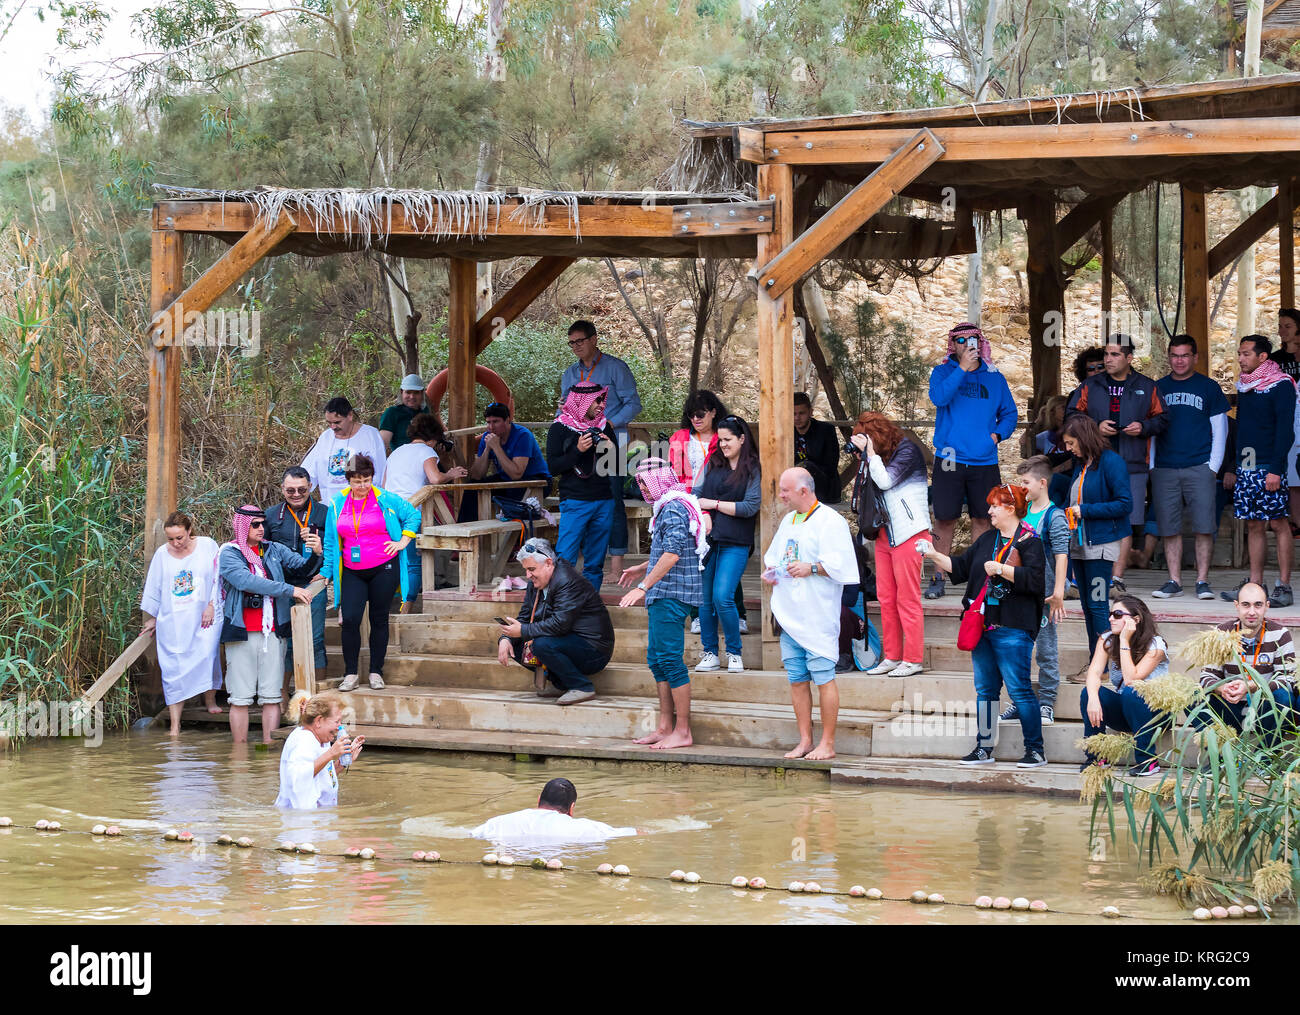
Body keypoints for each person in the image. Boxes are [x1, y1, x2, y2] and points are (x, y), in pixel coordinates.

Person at [921, 484, 1048, 768]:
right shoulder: (987, 539)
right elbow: (961, 567)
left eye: (994, 506)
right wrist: (932, 554)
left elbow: (1038, 582)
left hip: (1014, 626)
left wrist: (1003, 569)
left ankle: (1035, 750)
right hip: (983, 626)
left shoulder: (1030, 541)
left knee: (1020, 691)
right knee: (986, 691)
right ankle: (984, 748)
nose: (988, 511)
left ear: (1010, 508)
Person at [762, 467, 859, 761]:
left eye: (785, 491)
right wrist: (773, 571)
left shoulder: (832, 522)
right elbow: (776, 556)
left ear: (803, 491)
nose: (781, 496)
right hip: (790, 613)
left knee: (823, 677)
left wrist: (812, 567)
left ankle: (827, 743)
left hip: (817, 614)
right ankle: (805, 740)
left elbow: (844, 567)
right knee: (796, 678)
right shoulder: (789, 520)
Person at [1065, 332, 1168, 597]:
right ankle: (1079, 581)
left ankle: (1115, 580)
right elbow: (1072, 414)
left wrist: (1143, 427)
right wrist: (1094, 427)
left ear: (1129, 358)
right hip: (1092, 462)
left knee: (1124, 521)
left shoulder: (1147, 385)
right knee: (1082, 514)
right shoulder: (1091, 385)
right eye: (1106, 354)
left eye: (1114, 355)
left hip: (1132, 462)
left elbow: (1164, 419)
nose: (1107, 360)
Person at [618, 457, 707, 751]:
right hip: (664, 593)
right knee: (657, 660)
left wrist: (643, 587)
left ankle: (682, 731)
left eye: (643, 482)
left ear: (657, 481)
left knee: (669, 660)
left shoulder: (672, 508)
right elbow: (670, 549)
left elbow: (673, 555)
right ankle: (665, 726)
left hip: (671, 594)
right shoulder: (670, 506)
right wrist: (641, 567)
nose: (641, 488)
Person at [925, 322, 1019, 599]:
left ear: (980, 343)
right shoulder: (942, 372)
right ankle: (938, 576)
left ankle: (978, 577)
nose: (967, 344)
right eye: (960, 340)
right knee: (944, 519)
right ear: (952, 345)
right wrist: (962, 369)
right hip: (949, 459)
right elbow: (938, 398)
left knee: (984, 518)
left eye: (972, 339)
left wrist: (995, 436)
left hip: (984, 461)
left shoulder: (995, 377)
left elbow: (1010, 414)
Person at [218, 505, 321, 744]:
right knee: (240, 697)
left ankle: (267, 749)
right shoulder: (230, 552)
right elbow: (246, 581)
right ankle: (240, 753)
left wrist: (315, 554)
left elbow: (302, 569)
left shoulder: (273, 549)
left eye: (263, 524)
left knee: (272, 696)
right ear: (242, 526)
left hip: (274, 631)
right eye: (255, 525)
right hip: (242, 632)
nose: (261, 529)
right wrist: (289, 590)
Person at [321, 454, 421, 692]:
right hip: (352, 571)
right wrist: (326, 570)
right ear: (348, 480)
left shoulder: (384, 498)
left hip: (383, 567)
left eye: (367, 480)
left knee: (378, 619)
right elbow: (329, 541)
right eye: (357, 481)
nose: (363, 485)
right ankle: (350, 673)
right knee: (351, 620)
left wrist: (403, 542)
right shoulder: (336, 503)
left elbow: (413, 515)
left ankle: (376, 671)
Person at [1149, 335, 1229, 601]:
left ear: (1195, 357)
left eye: (1184, 355)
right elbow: (1150, 430)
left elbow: (1220, 429)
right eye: (1174, 355)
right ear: (1168, 357)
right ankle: (1174, 580)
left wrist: (1213, 466)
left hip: (1200, 465)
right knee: (1169, 527)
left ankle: (1202, 580)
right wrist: (1151, 465)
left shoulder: (1209, 387)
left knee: (1204, 526)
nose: (1179, 360)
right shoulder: (1157, 388)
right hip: (1164, 466)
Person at [560, 320, 642, 580]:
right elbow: (565, 408)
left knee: (613, 500)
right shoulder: (570, 374)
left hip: (611, 444)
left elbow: (634, 404)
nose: (576, 346)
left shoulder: (616, 368)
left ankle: (617, 564)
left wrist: (608, 424)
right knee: (581, 499)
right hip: (580, 444)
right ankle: (581, 565)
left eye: (580, 341)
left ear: (594, 339)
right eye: (571, 342)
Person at [850, 412, 929, 678]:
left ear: (877, 436)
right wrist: (865, 459)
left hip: (909, 532)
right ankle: (893, 656)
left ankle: (914, 658)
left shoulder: (907, 452)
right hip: (884, 534)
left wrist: (870, 455)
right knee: (886, 598)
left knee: (907, 599)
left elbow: (885, 481)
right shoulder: (877, 458)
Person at [1223, 335, 1296, 607]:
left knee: (1278, 523)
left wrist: (1276, 469)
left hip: (1268, 465)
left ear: (1262, 357)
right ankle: (1256, 585)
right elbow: (1242, 430)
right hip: (1247, 465)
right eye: (1239, 354)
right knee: (1253, 523)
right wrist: (1235, 466)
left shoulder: (1281, 385)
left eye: (1245, 354)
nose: (1240, 359)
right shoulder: (1245, 385)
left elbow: (1285, 430)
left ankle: (1284, 586)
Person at [496, 538, 615, 706]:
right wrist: (506, 638)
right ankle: (562, 683)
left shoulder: (568, 581)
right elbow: (524, 617)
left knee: (542, 644)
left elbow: (560, 623)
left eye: (532, 569)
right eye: (526, 570)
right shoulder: (535, 583)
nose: (528, 576)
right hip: (566, 641)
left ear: (548, 563)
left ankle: (581, 687)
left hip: (594, 650)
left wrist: (523, 631)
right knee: (513, 645)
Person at [1060, 414, 1133, 674]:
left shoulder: (1111, 462)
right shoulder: (1082, 464)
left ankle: (1105, 668)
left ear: (1083, 437)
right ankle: (1096, 662)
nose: (1068, 448)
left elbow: (1125, 504)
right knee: (1087, 606)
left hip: (1101, 544)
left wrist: (1085, 510)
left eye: (1071, 443)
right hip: (1079, 543)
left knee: (1098, 605)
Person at [141, 511, 223, 736]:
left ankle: (210, 699)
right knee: (173, 667)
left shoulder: (207, 546)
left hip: (205, 614)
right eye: (171, 539)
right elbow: (155, 586)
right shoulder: (161, 554)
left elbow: (218, 578)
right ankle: (175, 725)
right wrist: (154, 616)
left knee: (208, 655)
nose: (176, 543)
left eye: (180, 537)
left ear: (189, 531)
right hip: (174, 619)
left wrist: (212, 605)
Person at [693, 415, 760, 674]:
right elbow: (697, 494)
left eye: (728, 439)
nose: (722, 444)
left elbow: (750, 506)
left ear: (742, 439)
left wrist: (714, 505)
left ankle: (734, 652)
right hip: (709, 541)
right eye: (720, 440)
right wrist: (706, 513)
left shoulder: (753, 468)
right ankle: (709, 652)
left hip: (736, 541)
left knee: (723, 597)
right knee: (704, 599)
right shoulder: (714, 463)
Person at [1194, 582, 1295, 748]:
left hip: (1265, 709)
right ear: (1237, 606)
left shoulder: (1280, 634)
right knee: (1192, 697)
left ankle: (1267, 756)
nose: (1252, 612)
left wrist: (1251, 686)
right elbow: (1206, 676)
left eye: (1258, 605)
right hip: (1231, 704)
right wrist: (1222, 689)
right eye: (1246, 605)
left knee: (1284, 697)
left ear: (1267, 606)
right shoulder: (1221, 633)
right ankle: (1219, 755)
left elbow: (1289, 679)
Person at [1007, 457, 1069, 726]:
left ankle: (1046, 703)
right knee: (1017, 650)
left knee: (1046, 650)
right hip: (1019, 592)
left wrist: (1058, 593)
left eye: (1026, 482)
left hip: (1044, 596)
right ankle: (1020, 701)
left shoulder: (1054, 516)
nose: (1022, 488)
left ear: (1042, 483)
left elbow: (1062, 555)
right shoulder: (1022, 512)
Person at [1078, 596, 1170, 777]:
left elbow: (1131, 679)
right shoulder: (1107, 640)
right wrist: (1094, 699)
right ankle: (1097, 756)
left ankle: (1147, 760)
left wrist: (1125, 641)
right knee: (1088, 693)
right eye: (1111, 614)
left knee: (1132, 690)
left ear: (1135, 620)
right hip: (1127, 710)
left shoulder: (1156, 645)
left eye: (1118, 614)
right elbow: (1094, 673)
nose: (1111, 618)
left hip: (1156, 714)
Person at [383, 413, 469, 603]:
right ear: (433, 439)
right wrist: (452, 473)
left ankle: (404, 587)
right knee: (445, 534)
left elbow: (383, 483)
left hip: (389, 510)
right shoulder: (426, 451)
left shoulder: (396, 451)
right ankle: (435, 580)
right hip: (412, 509)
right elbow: (435, 479)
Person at [548, 383, 617, 590]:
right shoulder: (559, 428)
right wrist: (578, 449)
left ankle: (590, 605)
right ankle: (561, 604)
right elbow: (553, 468)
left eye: (602, 399)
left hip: (604, 500)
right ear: (582, 401)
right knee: (565, 560)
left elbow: (616, 467)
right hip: (575, 501)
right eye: (597, 400)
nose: (601, 404)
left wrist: (612, 449)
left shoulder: (604, 426)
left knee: (595, 563)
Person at [266, 467, 330, 687]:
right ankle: (282, 693)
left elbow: (336, 547)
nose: (296, 494)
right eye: (290, 490)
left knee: (315, 640)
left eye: (301, 489)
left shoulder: (324, 512)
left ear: (310, 487)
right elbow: (262, 551)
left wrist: (325, 568)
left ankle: (319, 695)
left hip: (313, 583)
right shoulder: (271, 515)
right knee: (285, 641)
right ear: (282, 489)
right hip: (282, 585)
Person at [470, 778, 637, 843]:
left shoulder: (497, 822)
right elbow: (634, 832)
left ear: (538, 801)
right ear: (571, 809)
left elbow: (471, 834)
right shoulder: (588, 828)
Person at [275, 690, 364, 809]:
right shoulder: (302, 741)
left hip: (319, 818)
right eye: (337, 721)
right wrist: (331, 754)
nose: (339, 727)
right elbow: (299, 778)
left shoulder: (323, 740)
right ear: (318, 721)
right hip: (301, 820)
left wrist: (342, 763)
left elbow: (322, 778)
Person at [301, 396, 388, 506]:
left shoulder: (370, 435)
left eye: (337, 422)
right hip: (331, 504)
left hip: (362, 505)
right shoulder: (325, 437)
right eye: (329, 423)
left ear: (350, 416)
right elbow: (310, 470)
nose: (333, 427)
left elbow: (381, 471)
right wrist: (300, 491)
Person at [465, 401, 549, 499]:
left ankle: (506, 514)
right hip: (507, 480)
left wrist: (496, 447)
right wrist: (487, 449)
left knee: (513, 492)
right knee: (472, 488)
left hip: (537, 480)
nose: (491, 427)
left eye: (496, 422)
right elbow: (476, 476)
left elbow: (516, 474)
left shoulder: (522, 435)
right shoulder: (487, 437)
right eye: (488, 422)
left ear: (507, 420)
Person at [1273, 309, 1300, 529]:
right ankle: (1295, 521)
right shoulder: (1274, 360)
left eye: (1288, 326)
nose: (1282, 331)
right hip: (1286, 422)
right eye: (1280, 326)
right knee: (1291, 475)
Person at [792, 392, 843, 504]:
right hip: (795, 490)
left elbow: (831, 465)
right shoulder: (788, 432)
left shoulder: (826, 431)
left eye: (801, 413)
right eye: (793, 413)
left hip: (824, 490)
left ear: (811, 412)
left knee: (807, 465)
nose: (797, 418)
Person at [670, 390, 726, 487]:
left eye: (700, 414)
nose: (695, 418)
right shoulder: (679, 438)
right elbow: (673, 471)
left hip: (714, 495)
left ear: (713, 412)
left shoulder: (725, 439)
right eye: (691, 414)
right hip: (683, 494)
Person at [377, 374, 426, 453]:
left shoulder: (426, 412)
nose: (412, 396)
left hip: (427, 457)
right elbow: (382, 444)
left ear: (422, 393)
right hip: (402, 459)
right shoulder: (392, 413)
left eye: (416, 393)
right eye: (408, 392)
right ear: (401, 392)